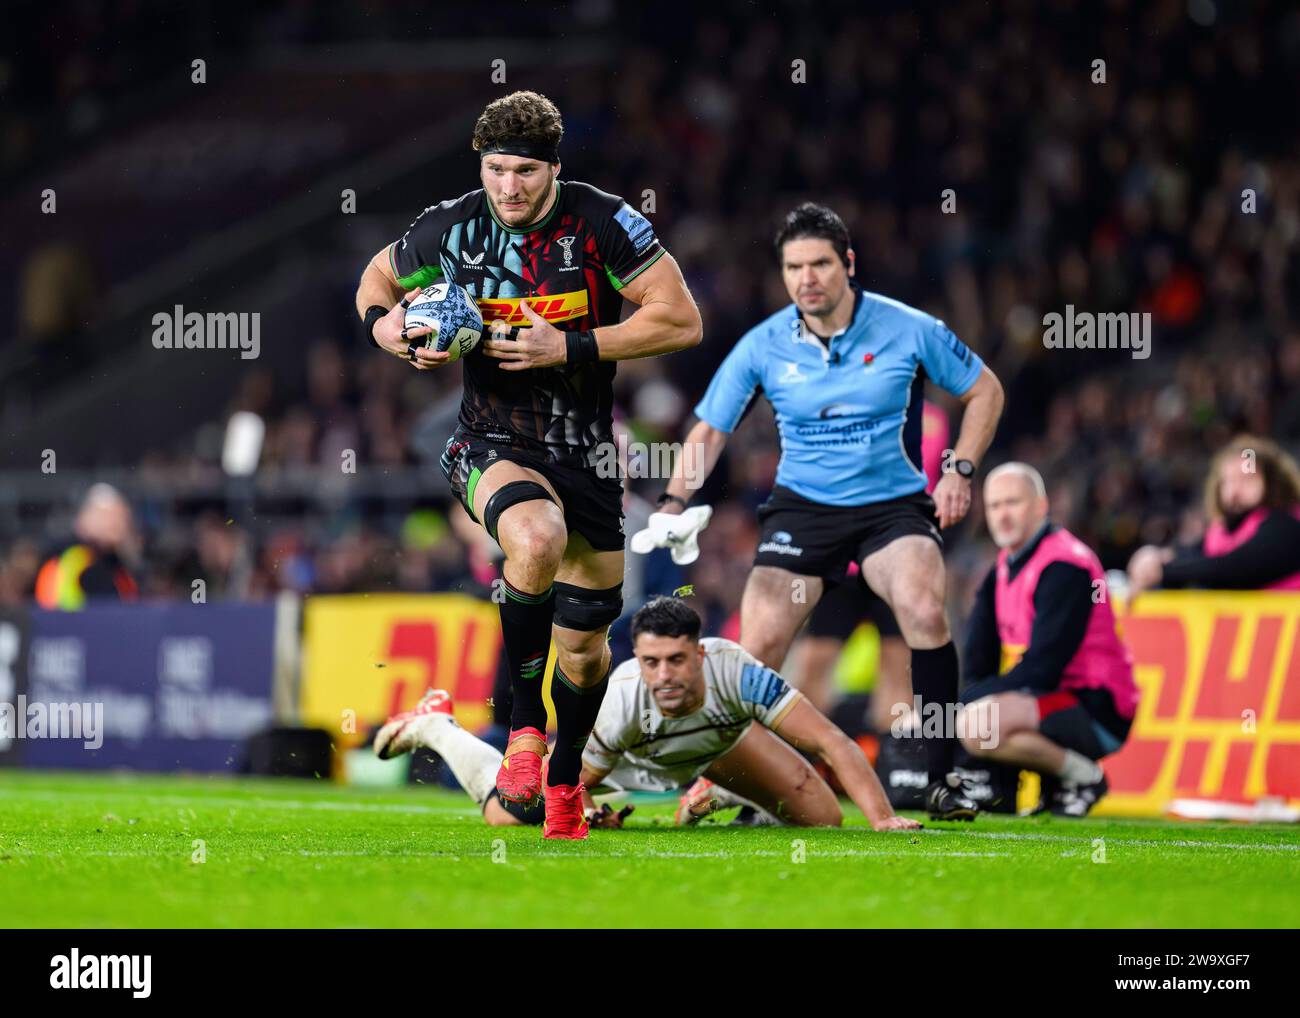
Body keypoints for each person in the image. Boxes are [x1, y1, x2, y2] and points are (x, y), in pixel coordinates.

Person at [354, 91, 702, 839]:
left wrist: (568, 347)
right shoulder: (452, 226)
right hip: (488, 442)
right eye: (496, 169)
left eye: (526, 172)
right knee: (535, 538)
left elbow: (680, 320)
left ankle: (566, 779)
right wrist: (391, 333)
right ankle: (521, 733)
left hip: (587, 455)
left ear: (555, 169)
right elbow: (376, 281)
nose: (509, 188)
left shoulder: (603, 222)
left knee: (583, 649)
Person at [651, 203, 1004, 820]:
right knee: (755, 645)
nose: (805, 278)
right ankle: (749, 785)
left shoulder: (908, 327)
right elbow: (709, 428)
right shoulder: (764, 343)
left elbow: (985, 390)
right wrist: (675, 501)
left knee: (924, 607)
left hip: (891, 509)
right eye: (793, 267)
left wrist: (960, 469)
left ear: (848, 264)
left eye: (818, 264)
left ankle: (943, 779)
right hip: (803, 511)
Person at [374, 597, 921, 835]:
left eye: (677, 660)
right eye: (652, 662)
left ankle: (719, 792)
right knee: (508, 814)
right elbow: (574, 784)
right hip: (633, 762)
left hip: (722, 748)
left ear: (700, 654)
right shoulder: (620, 700)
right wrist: (586, 809)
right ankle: (437, 727)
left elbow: (832, 741)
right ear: (639, 660)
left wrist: (882, 818)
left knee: (823, 821)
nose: (665, 675)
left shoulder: (738, 673)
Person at [957, 463, 1139, 816]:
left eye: (1013, 503)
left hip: (1097, 706)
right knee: (970, 719)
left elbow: (1044, 669)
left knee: (976, 723)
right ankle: (1050, 784)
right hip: (1053, 698)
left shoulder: (1065, 564)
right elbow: (978, 657)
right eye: (994, 506)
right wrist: (964, 699)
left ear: (1041, 506)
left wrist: (962, 704)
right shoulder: (1001, 569)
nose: (1002, 515)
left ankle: (1084, 776)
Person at [1128, 435, 1300, 594]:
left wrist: (1164, 572)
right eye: (1229, 481)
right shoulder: (1222, 530)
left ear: (1273, 483)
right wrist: (1157, 558)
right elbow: (1193, 555)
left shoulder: (1287, 526)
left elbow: (1237, 568)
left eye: (1246, 480)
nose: (1235, 491)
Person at [34, 483, 139, 610]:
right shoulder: (65, 561)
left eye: (121, 516)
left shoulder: (121, 566)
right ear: (83, 518)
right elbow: (50, 612)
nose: (116, 523)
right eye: (106, 516)